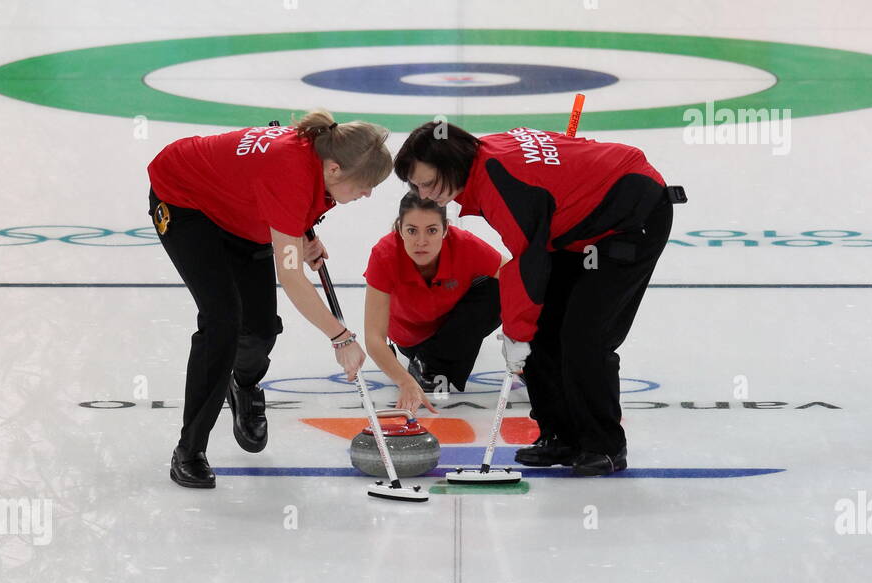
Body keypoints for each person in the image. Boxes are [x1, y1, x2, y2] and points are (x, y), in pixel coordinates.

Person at [393, 121, 681, 475]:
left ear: (452, 165)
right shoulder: (482, 159)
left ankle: (604, 445)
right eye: (415, 185)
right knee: (545, 325)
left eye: (428, 182)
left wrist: (516, 333)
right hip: (574, 226)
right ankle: (558, 434)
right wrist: (524, 331)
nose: (423, 194)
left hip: (631, 218)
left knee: (584, 336)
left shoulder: (502, 186)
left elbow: (529, 264)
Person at [147, 109, 392, 487]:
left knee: (260, 329)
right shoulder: (290, 171)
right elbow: (291, 277)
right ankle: (189, 449)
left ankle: (243, 386)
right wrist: (341, 337)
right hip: (186, 203)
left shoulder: (319, 151)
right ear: (334, 170)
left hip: (240, 213)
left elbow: (275, 189)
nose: (368, 193)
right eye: (364, 184)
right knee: (222, 323)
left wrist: (302, 233)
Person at [363, 192, 507, 415]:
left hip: (450, 324)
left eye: (431, 230)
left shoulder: (464, 244)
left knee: (500, 288)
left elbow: (517, 278)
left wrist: (530, 339)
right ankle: (427, 365)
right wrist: (404, 381)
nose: (421, 241)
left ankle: (437, 363)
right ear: (400, 229)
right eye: (412, 230)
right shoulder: (384, 255)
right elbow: (373, 337)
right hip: (411, 340)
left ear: (446, 229)